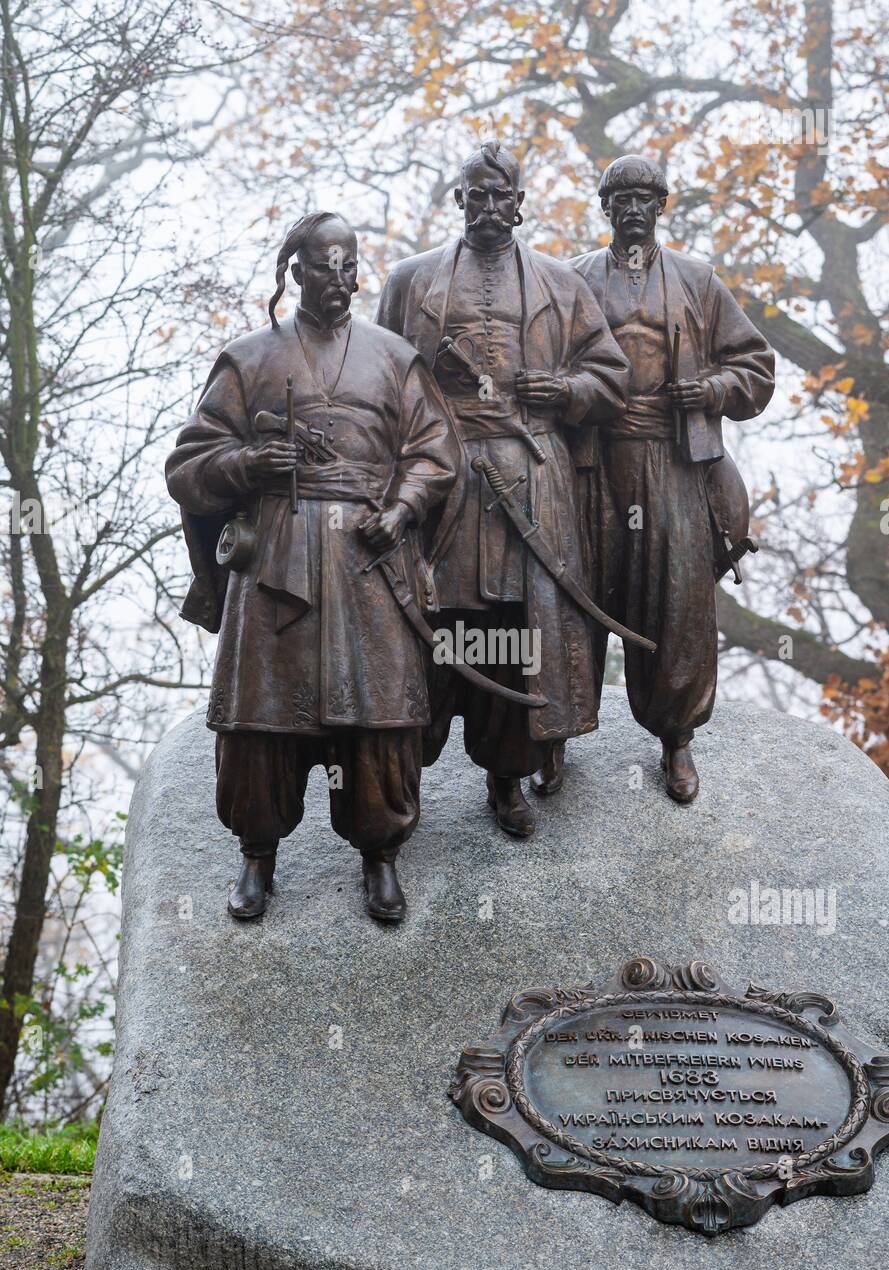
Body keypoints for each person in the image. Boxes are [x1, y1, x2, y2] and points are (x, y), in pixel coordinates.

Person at [166, 212, 460, 923]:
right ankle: (256, 855)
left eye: (349, 266)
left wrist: (400, 508)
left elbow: (435, 453)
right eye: (323, 266)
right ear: (294, 271)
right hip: (277, 558)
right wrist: (246, 462)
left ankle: (380, 854)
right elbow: (187, 468)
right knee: (260, 717)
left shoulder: (393, 357)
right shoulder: (248, 358)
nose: (339, 280)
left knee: (381, 713)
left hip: (369, 556)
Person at [377, 141, 630, 835]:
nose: (489, 208)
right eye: (475, 195)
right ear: (456, 200)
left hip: (530, 470)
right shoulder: (409, 281)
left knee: (518, 630)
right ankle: (404, 775)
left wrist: (566, 388)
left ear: (520, 204)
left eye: (502, 196)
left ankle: (506, 778)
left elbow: (611, 379)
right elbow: (377, 381)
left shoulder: (559, 284)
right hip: (441, 473)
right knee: (431, 620)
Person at [566, 154, 775, 803]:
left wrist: (712, 387)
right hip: (593, 465)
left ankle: (676, 741)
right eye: (619, 197)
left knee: (677, 604)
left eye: (643, 197)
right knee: (573, 597)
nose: (632, 207)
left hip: (674, 463)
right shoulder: (573, 281)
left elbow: (757, 368)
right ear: (605, 209)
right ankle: (551, 737)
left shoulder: (696, 281)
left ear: (660, 206)